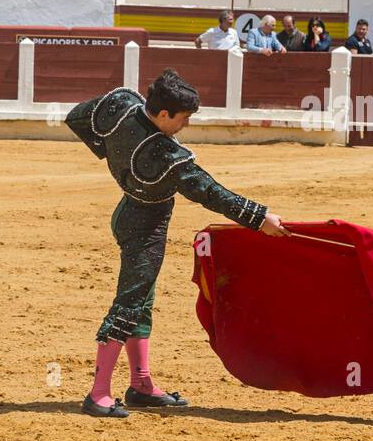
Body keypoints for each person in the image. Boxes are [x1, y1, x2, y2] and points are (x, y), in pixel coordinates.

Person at [65, 70, 290, 418]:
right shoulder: (165, 156)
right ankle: (99, 393)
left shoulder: (122, 105)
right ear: (164, 114)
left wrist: (112, 155)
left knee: (142, 301)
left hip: (126, 211)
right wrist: (260, 218)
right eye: (183, 119)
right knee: (129, 303)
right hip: (145, 229)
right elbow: (212, 193)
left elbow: (76, 116)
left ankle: (140, 384)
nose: (185, 126)